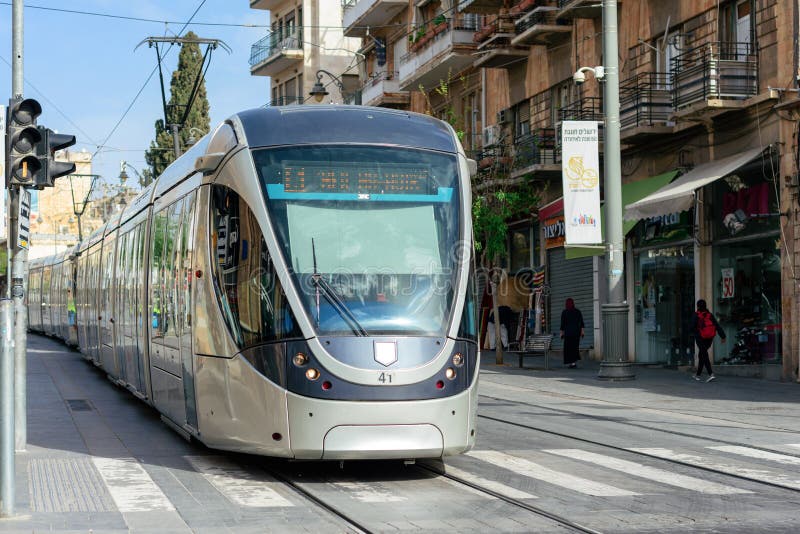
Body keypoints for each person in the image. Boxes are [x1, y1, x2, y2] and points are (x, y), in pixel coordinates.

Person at [691, 299, 726, 382]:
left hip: (700, 337)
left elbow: (691, 327)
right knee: (701, 355)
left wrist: (695, 333)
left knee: (704, 355)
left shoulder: (696, 315)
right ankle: (698, 375)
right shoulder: (710, 315)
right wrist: (723, 336)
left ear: (698, 306)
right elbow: (717, 326)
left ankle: (711, 374)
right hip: (709, 338)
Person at [560, 298, 584, 368]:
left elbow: (562, 324)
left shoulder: (564, 312)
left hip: (568, 333)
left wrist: (561, 333)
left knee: (568, 348)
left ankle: (572, 363)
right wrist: (582, 332)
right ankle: (573, 362)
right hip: (576, 332)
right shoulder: (578, 311)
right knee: (575, 347)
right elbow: (581, 323)